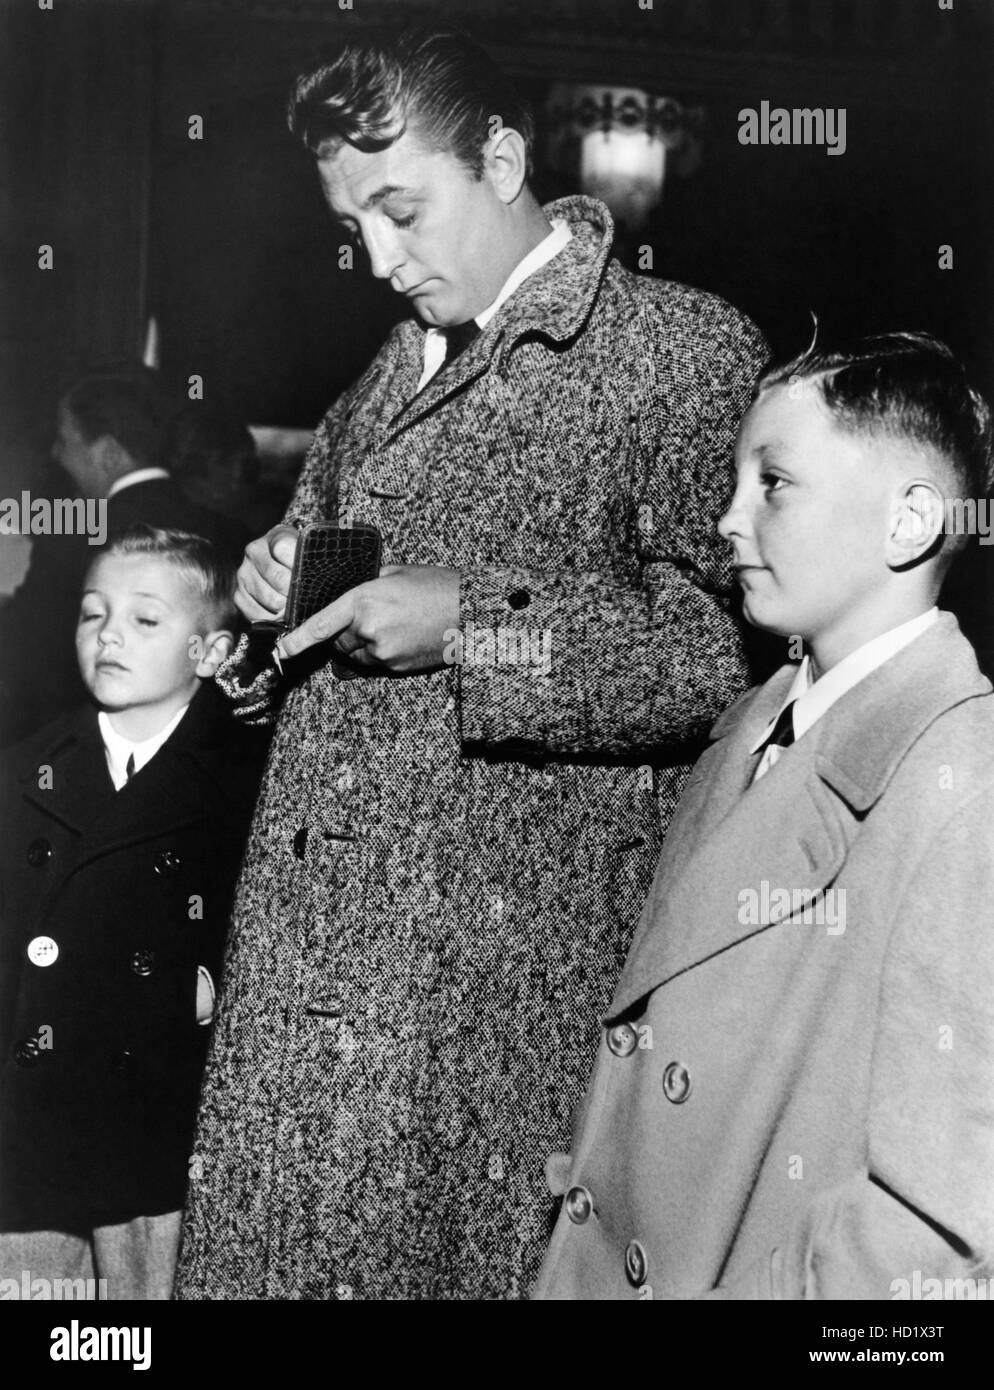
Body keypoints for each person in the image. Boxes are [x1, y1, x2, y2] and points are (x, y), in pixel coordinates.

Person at [175, 27, 767, 1301]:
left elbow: (711, 656)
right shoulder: (381, 374)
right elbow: (308, 658)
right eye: (355, 224)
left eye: (401, 210)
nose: (381, 261)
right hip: (307, 984)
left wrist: (476, 623)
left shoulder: (679, 352)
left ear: (500, 158)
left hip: (492, 1013)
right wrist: (265, 607)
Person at [534, 332, 994, 1300]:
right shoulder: (749, 726)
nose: (726, 519)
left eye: (773, 482)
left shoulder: (962, 782)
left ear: (909, 521)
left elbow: (938, 1232)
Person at [0, 528, 271, 1299]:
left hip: (162, 1134)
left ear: (212, 652)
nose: (110, 634)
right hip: (33, 1133)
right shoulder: (27, 769)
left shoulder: (247, 781)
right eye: (94, 614)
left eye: (145, 620)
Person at [0, 367, 250, 746]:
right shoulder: (229, 530)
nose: (56, 454)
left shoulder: (75, 533)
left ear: (108, 454)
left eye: (66, 441)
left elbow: (29, 656)